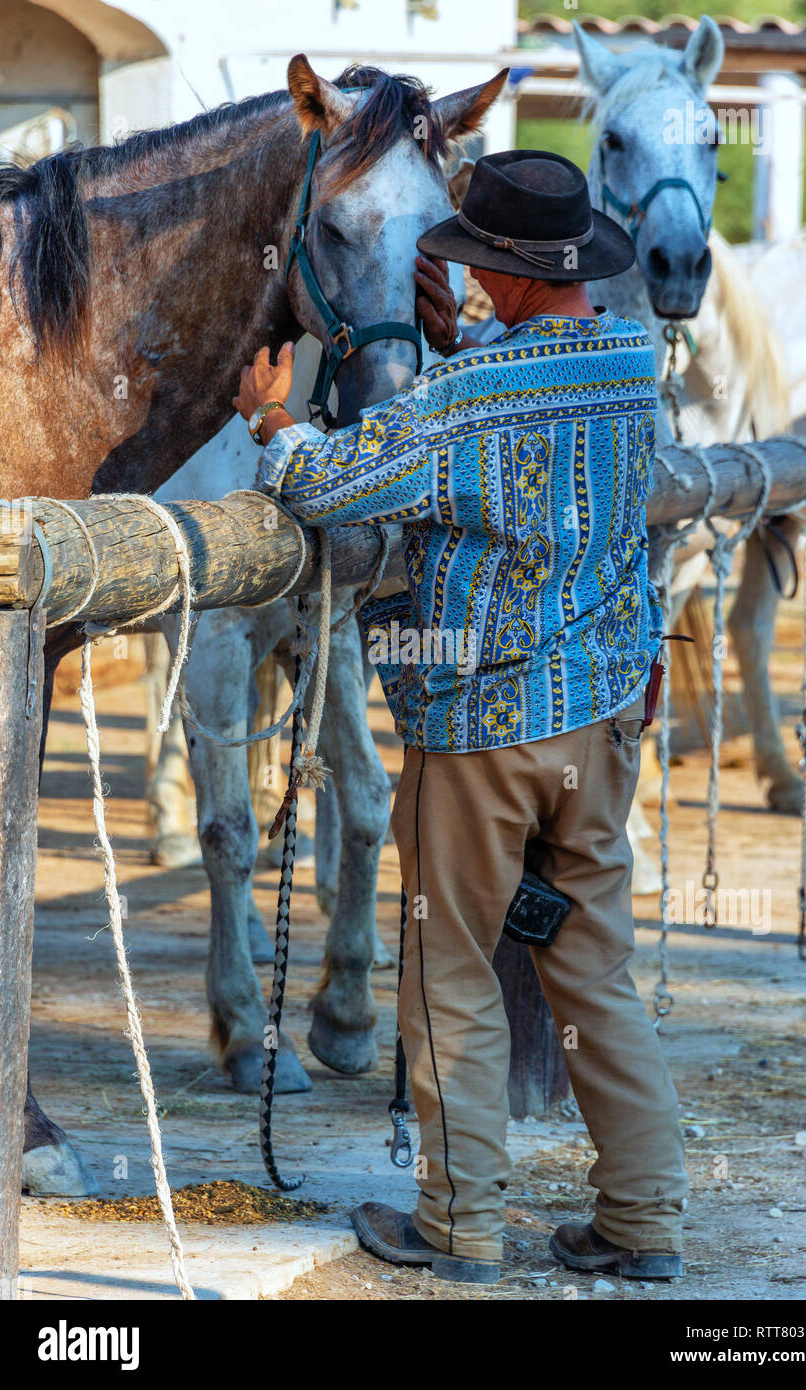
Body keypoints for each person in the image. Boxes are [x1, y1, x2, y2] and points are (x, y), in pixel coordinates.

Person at [234, 150, 688, 1286]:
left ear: (517, 277)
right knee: (594, 970)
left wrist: (274, 419)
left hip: (483, 726)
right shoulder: (636, 360)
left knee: (448, 971)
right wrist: (461, 350)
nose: (473, 283)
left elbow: (331, 484)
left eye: (486, 267)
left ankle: (459, 1222)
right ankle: (644, 1221)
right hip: (598, 714)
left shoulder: (467, 397)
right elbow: (534, 416)